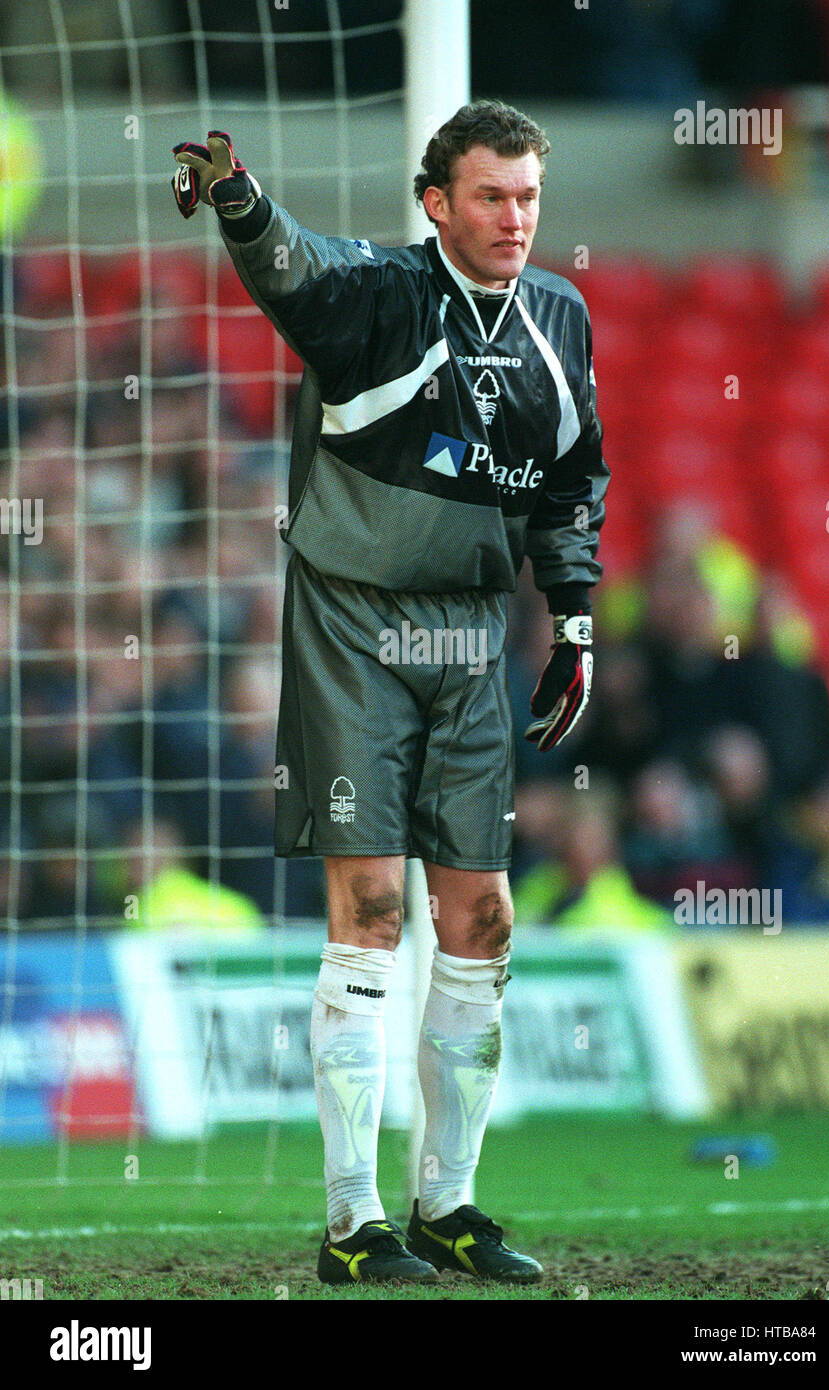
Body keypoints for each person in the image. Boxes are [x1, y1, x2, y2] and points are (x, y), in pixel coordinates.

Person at [171, 99, 609, 1285]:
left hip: (472, 638)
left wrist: (571, 622)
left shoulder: (559, 321)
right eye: (489, 196)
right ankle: (350, 1223)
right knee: (367, 915)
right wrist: (239, 200)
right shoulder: (379, 295)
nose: (514, 217)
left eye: (526, 197)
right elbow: (294, 272)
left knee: (482, 922)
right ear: (436, 203)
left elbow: (574, 482)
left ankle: (445, 1207)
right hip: (353, 626)